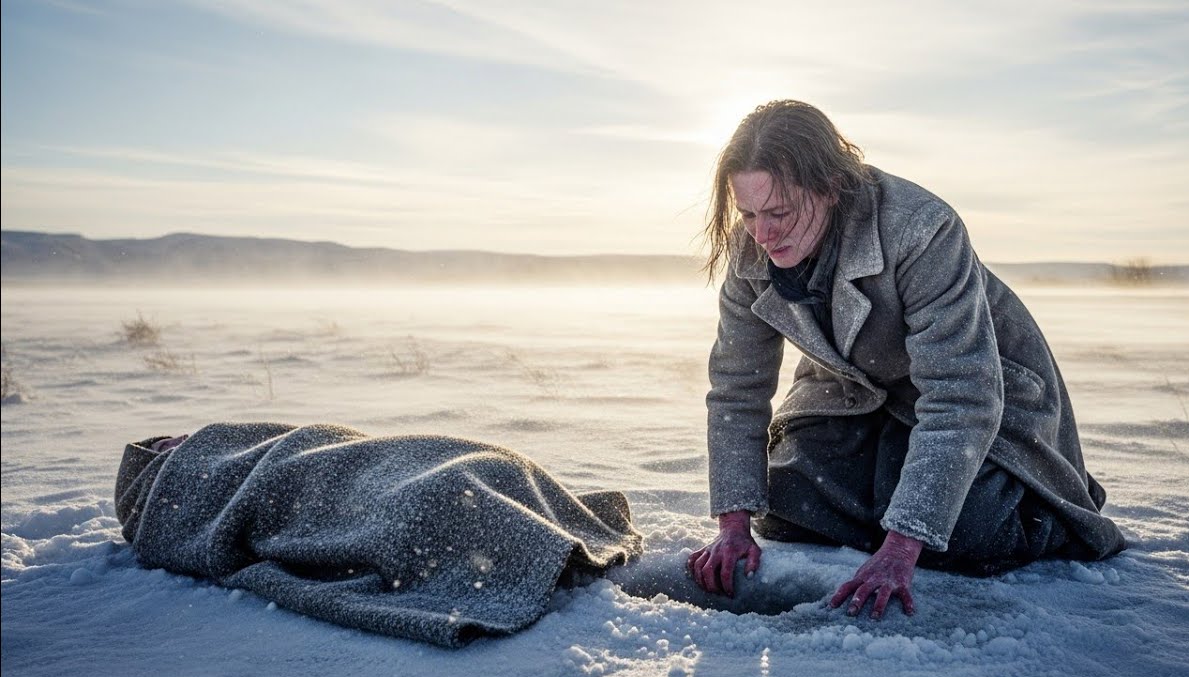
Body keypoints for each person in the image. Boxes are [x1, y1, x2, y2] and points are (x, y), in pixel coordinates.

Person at [686, 100, 1125, 619]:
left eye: (779, 213)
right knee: (788, 503)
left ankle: (1046, 507)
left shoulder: (922, 229)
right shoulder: (752, 247)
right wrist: (733, 526)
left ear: (830, 187)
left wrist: (900, 550)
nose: (762, 234)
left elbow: (961, 396)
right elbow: (738, 387)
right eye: (749, 214)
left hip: (981, 397)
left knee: (966, 532)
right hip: (852, 397)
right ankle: (892, 492)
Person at [115, 423, 642, 646]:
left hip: (417, 459)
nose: (171, 441)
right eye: (164, 447)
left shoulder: (244, 439)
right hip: (391, 493)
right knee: (436, 498)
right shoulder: (183, 489)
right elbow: (227, 532)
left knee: (466, 469)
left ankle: (515, 517)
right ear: (164, 467)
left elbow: (331, 444)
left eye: (172, 438)